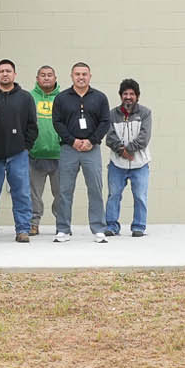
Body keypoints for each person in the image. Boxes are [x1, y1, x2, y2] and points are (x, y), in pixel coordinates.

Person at [52, 62, 112, 243]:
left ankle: (98, 228)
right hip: (68, 149)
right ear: (71, 76)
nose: (81, 77)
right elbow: (57, 122)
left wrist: (91, 141)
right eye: (77, 74)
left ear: (90, 76)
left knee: (95, 189)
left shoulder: (100, 97)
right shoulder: (62, 98)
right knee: (64, 190)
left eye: (84, 74)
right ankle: (63, 229)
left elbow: (105, 121)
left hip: (91, 150)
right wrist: (73, 141)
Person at [0, 59, 38, 243]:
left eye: (8, 71)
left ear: (14, 74)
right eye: (1, 71)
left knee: (22, 193)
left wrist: (25, 146)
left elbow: (32, 125)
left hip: (18, 154)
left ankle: (23, 229)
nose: (5, 74)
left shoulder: (25, 97)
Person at [103, 78, 154, 238]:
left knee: (140, 196)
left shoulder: (145, 113)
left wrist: (129, 150)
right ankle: (111, 226)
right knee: (113, 195)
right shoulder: (112, 114)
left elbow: (144, 138)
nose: (128, 97)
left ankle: (138, 227)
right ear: (120, 96)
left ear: (137, 96)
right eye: (125, 93)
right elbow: (109, 137)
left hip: (140, 164)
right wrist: (121, 151)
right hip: (117, 164)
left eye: (132, 94)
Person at [29, 65, 69, 240]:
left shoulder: (64, 98)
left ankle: (62, 225)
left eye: (49, 75)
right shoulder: (29, 97)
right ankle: (33, 224)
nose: (46, 78)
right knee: (33, 194)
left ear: (55, 78)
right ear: (37, 78)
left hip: (60, 154)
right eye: (43, 75)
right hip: (35, 154)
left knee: (61, 194)